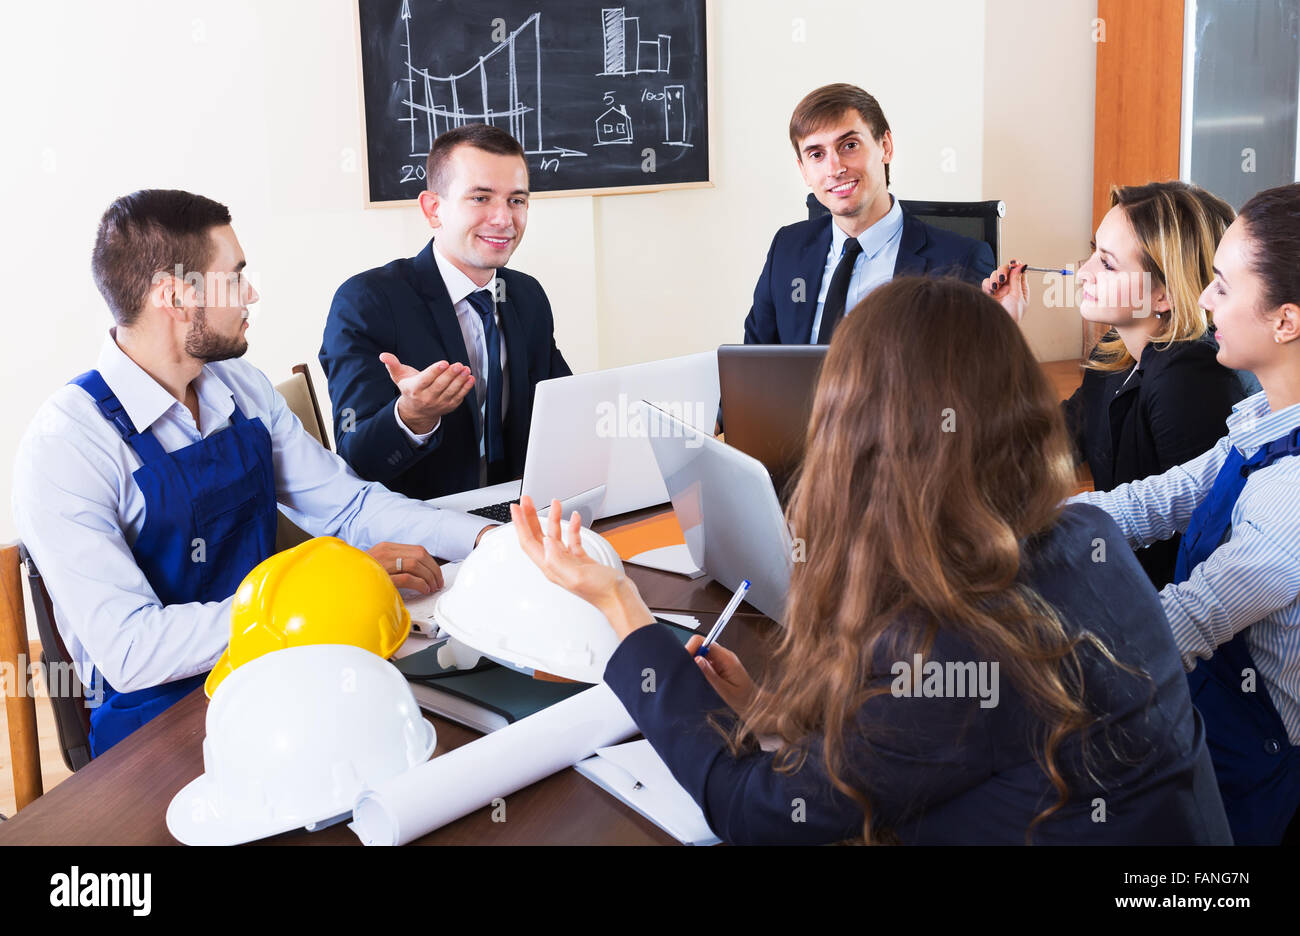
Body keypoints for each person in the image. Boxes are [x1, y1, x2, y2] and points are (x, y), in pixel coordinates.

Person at [514, 277, 1230, 845]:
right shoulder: (1079, 538)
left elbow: (753, 812)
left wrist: (618, 603)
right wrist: (770, 714)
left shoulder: (957, 642)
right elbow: (940, 752)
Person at [11, 189, 494, 756]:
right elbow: (133, 650)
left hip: (285, 670)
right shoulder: (66, 446)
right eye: (235, 277)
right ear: (174, 295)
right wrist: (315, 596)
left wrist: (489, 538)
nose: (252, 294)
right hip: (161, 724)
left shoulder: (242, 389)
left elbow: (349, 506)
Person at [1070, 183, 1300, 845]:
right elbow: (1155, 502)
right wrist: (1034, 534)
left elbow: (1181, 623)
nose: (1202, 298)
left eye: (1222, 287)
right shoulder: (1260, 421)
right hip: (1208, 707)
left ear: (1285, 321)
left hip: (1254, 768)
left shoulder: (1290, 499)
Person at [984, 181, 1246, 587]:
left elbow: (1200, 537)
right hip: (1117, 575)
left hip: (1160, 605)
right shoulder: (1116, 352)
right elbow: (1044, 442)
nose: (1081, 271)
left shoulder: (1190, 380)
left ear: (1163, 294)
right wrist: (1000, 329)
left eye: (1106, 263)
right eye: (1093, 252)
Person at [320, 124, 571, 500]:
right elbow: (357, 461)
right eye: (481, 198)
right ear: (433, 209)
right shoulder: (366, 301)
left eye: (516, 201)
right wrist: (412, 416)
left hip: (519, 512)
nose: (504, 219)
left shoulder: (527, 295)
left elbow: (563, 410)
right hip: (422, 527)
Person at [742, 83, 995, 347]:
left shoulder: (960, 261)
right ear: (804, 170)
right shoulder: (786, 248)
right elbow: (752, 366)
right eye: (816, 154)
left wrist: (1000, 325)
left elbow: (974, 380)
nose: (834, 168)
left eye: (849, 145)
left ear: (885, 146)